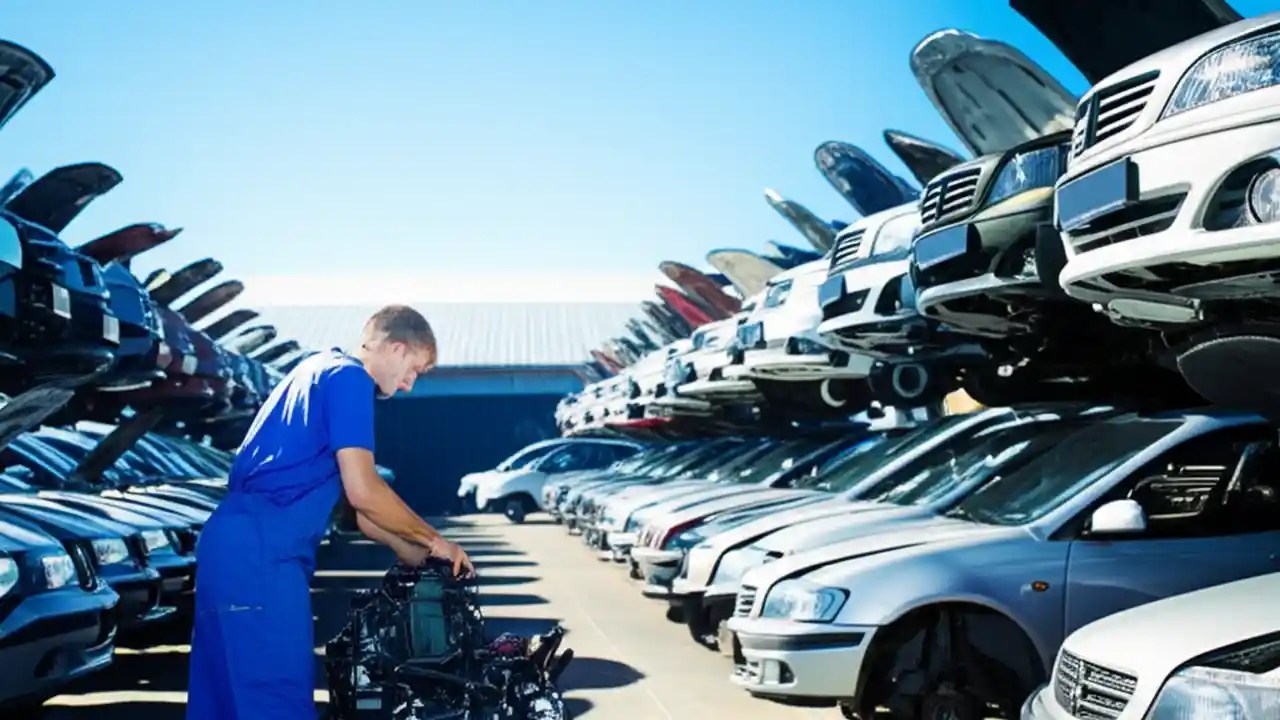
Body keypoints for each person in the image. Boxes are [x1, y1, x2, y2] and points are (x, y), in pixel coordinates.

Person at [186, 304, 474, 720]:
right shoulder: (350, 379)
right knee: (275, 697)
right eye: (415, 369)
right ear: (396, 348)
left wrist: (410, 550)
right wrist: (436, 541)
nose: (410, 384)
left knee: (225, 701)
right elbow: (365, 490)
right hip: (263, 556)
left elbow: (356, 514)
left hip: (231, 552)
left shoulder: (316, 369)